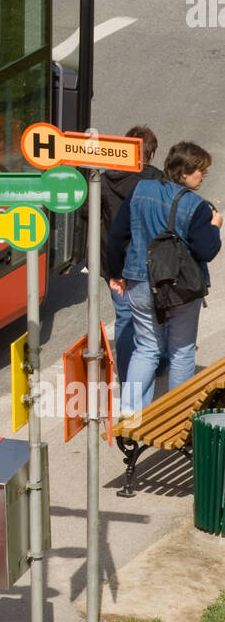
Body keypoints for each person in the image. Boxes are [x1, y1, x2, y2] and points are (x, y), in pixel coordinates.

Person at [108, 141, 222, 423]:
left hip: (139, 282)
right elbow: (206, 250)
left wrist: (116, 273)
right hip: (179, 288)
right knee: (181, 351)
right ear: (184, 173)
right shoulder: (196, 207)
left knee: (146, 347)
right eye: (200, 171)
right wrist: (215, 227)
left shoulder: (140, 190)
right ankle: (179, 414)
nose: (204, 176)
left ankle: (130, 409)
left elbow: (116, 237)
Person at [83, 125, 164, 383]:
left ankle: (128, 375)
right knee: (155, 315)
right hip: (147, 262)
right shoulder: (155, 179)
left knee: (125, 317)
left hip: (113, 262)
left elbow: (87, 213)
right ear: (150, 155)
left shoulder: (104, 179)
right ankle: (154, 366)